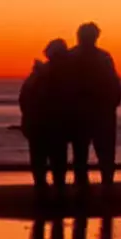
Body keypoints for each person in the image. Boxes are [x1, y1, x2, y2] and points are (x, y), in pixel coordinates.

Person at [67, 21, 121, 189]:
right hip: (92, 112)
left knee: (86, 153)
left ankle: (92, 186)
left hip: (92, 112)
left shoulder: (75, 57)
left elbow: (114, 84)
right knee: (97, 153)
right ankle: (102, 185)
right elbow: (114, 84)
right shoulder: (100, 57)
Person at [18, 38, 70, 202]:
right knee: (56, 162)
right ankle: (55, 194)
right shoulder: (61, 75)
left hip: (41, 125)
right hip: (51, 125)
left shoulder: (39, 74)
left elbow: (24, 99)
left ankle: (44, 193)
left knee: (41, 161)